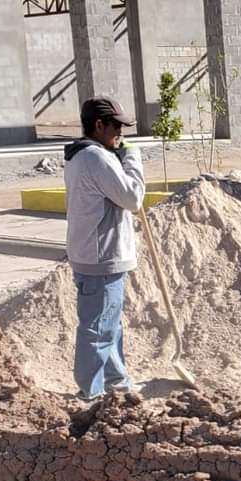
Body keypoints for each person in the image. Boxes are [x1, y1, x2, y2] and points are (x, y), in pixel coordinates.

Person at [64, 96, 146, 397]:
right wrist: (132, 158)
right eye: (116, 127)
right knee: (99, 329)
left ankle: (116, 382)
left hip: (96, 255)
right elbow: (133, 198)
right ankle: (91, 393)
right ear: (99, 125)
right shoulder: (96, 158)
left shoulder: (83, 155)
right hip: (101, 257)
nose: (120, 135)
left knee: (108, 325)